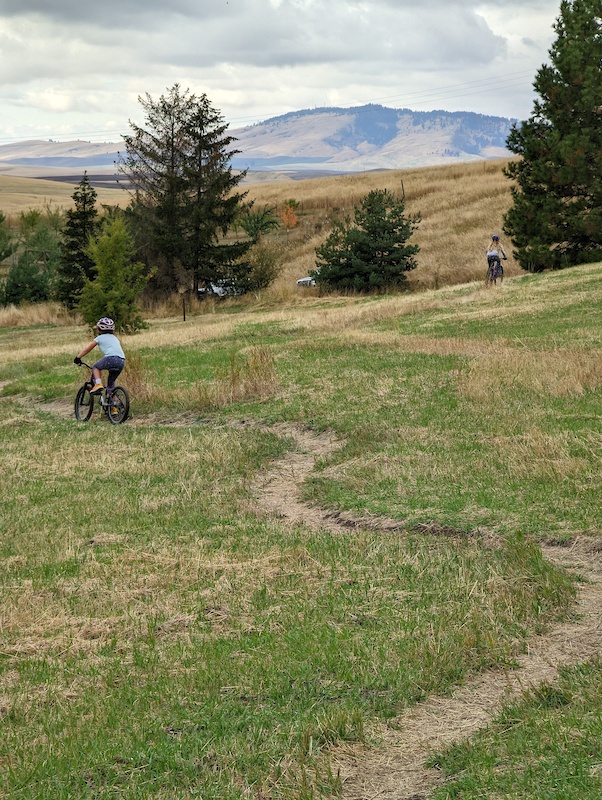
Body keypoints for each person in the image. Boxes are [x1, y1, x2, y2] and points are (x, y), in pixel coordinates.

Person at [74, 318, 125, 395]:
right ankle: (113, 401)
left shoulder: (99, 338)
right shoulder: (115, 338)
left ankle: (98, 384)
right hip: (121, 361)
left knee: (95, 367)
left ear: (99, 329)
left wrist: (78, 358)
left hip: (111, 358)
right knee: (111, 383)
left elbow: (87, 350)